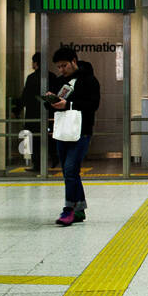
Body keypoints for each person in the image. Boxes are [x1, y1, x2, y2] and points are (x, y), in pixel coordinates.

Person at [49, 46, 100, 226]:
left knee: (70, 169)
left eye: (64, 66)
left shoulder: (89, 80)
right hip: (63, 131)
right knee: (69, 172)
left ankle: (68, 209)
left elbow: (93, 104)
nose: (62, 70)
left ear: (74, 61)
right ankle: (79, 209)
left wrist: (68, 104)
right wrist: (51, 101)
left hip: (81, 131)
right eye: (59, 67)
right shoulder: (59, 81)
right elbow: (54, 106)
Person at [13, 52, 59, 169]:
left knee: (34, 139)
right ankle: (55, 158)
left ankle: (37, 164)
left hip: (33, 115)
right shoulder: (52, 77)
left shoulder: (31, 78)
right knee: (50, 137)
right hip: (50, 114)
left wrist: (16, 110)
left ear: (36, 63)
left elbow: (25, 96)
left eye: (33, 62)